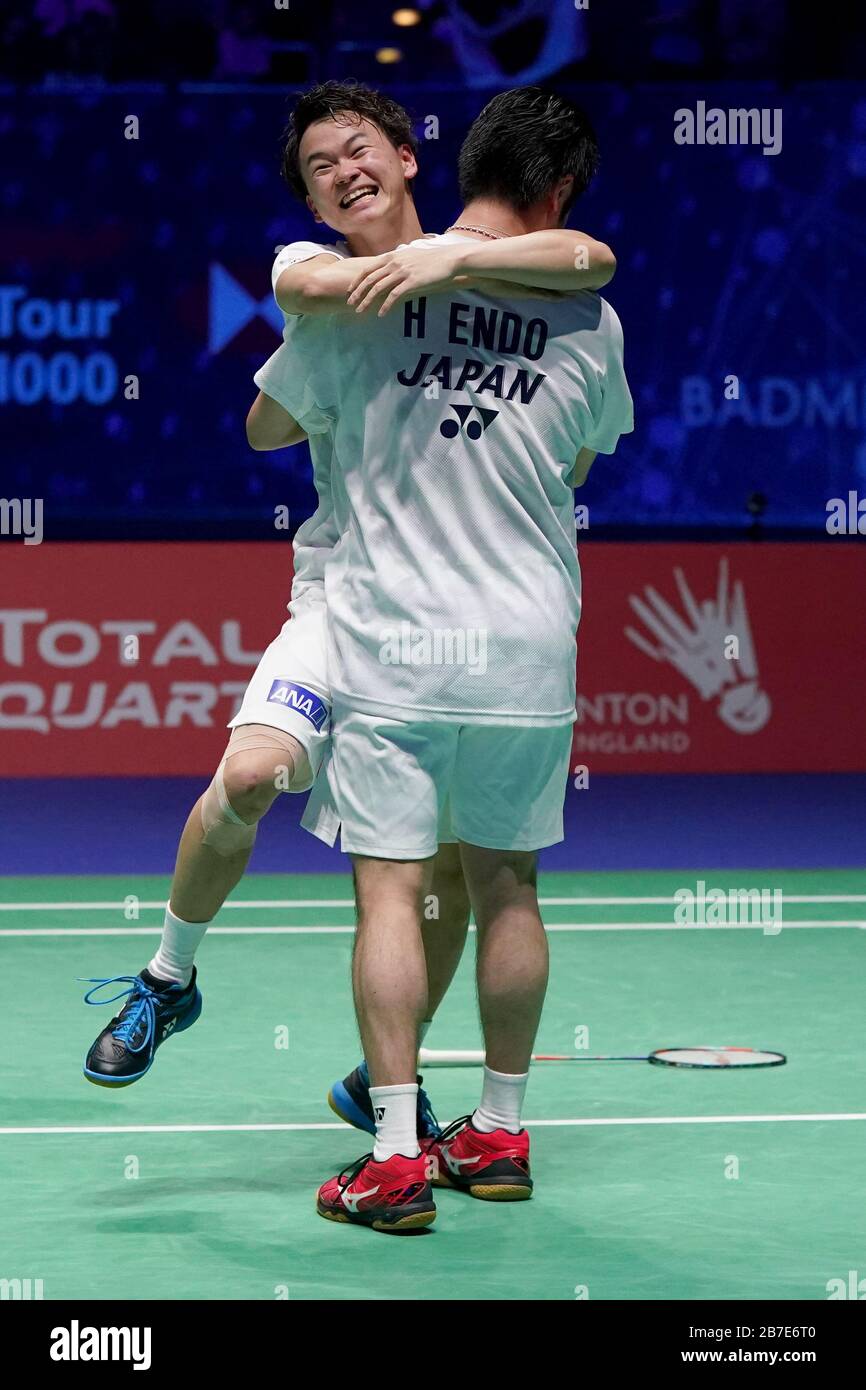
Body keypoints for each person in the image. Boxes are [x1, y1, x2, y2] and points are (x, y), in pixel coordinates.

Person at [81, 85, 617, 1150]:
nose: (342, 173)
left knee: (457, 865)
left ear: (411, 158)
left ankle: (393, 1080)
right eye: (321, 166)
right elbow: (263, 425)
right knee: (246, 777)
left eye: (358, 150)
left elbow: (591, 261)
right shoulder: (325, 287)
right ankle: (165, 976)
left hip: (447, 610)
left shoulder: (529, 285)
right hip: (345, 596)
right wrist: (333, 330)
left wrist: (447, 277)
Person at [264, 86, 634, 1233]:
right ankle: (502, 1129)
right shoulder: (590, 319)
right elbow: (579, 461)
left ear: (445, 159)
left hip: (396, 646)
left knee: (390, 887)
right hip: (526, 646)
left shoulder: (365, 292)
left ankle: (390, 1157)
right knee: (507, 884)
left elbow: (275, 425)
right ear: (559, 188)